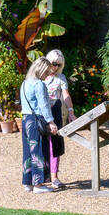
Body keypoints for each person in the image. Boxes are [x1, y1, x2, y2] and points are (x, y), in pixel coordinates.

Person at [20, 57, 59, 193]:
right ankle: (38, 185)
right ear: (41, 70)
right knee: (38, 152)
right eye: (47, 72)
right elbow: (43, 105)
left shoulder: (24, 83)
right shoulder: (39, 84)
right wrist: (51, 122)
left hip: (25, 120)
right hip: (36, 121)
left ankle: (28, 183)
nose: (48, 75)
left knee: (28, 152)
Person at [42, 49, 75, 190]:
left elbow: (66, 95)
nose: (55, 67)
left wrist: (71, 112)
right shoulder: (40, 76)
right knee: (42, 144)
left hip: (55, 111)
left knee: (55, 144)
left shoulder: (61, 78)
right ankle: (42, 176)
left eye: (58, 64)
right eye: (53, 63)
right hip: (42, 113)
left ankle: (54, 177)